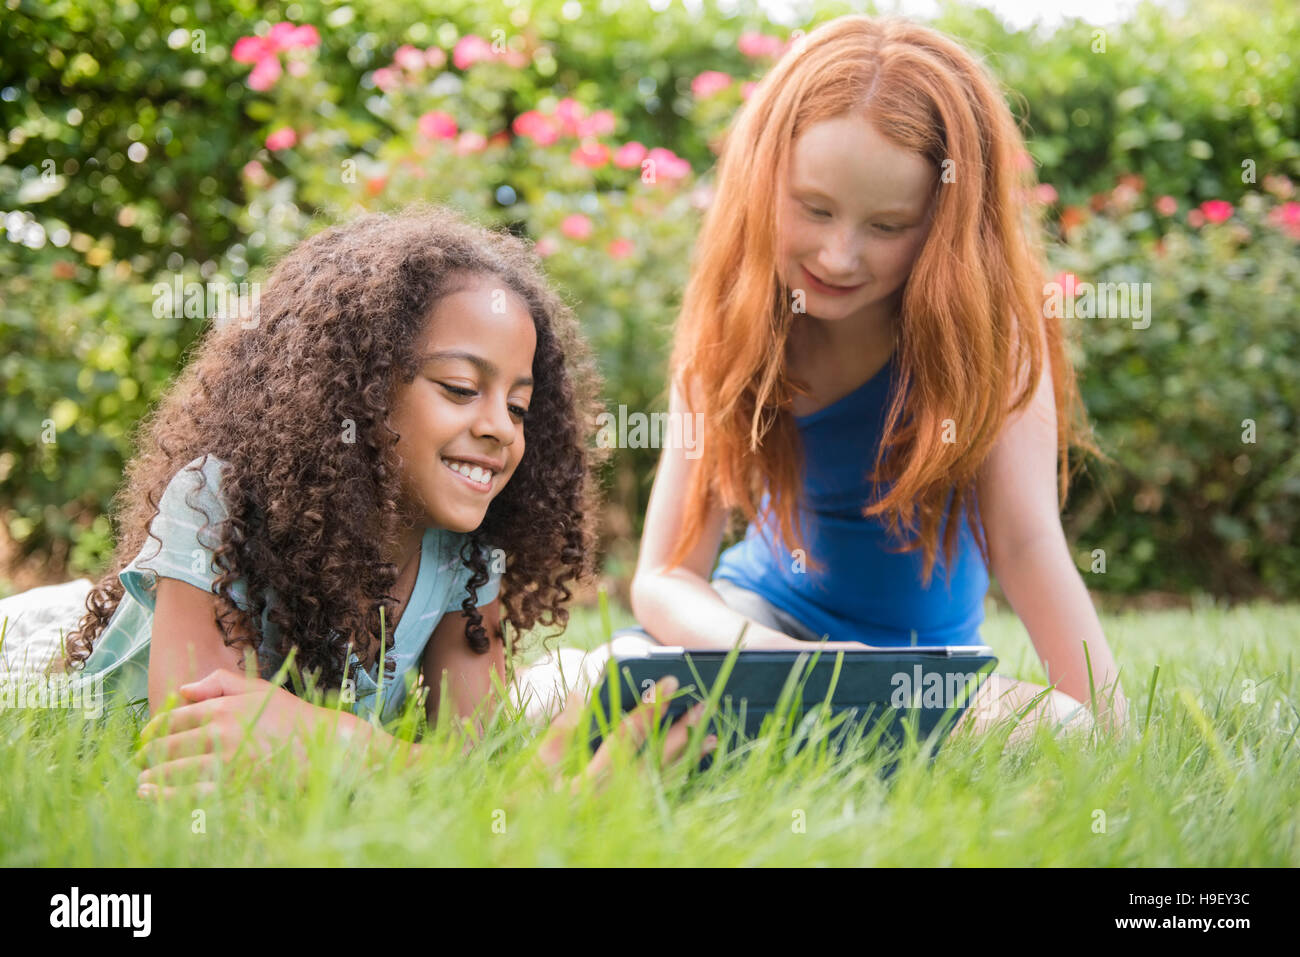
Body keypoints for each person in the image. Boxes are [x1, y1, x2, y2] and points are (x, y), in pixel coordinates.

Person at [553, 15, 1130, 746]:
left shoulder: (993, 335)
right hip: (757, 633)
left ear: (944, 222)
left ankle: (799, 730)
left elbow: (1025, 544)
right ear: (763, 182)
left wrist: (1106, 722)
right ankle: (797, 723)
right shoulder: (734, 324)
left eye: (888, 226)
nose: (839, 254)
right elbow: (665, 577)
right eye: (814, 208)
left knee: (1062, 732)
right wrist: (798, 667)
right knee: (575, 689)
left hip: (917, 673)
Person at [0, 205, 713, 794]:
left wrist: (335, 741)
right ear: (359, 393)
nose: (499, 425)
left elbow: (474, 770)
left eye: (520, 406)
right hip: (30, 658)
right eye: (461, 388)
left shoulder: (461, 553)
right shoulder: (220, 505)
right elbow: (195, 758)